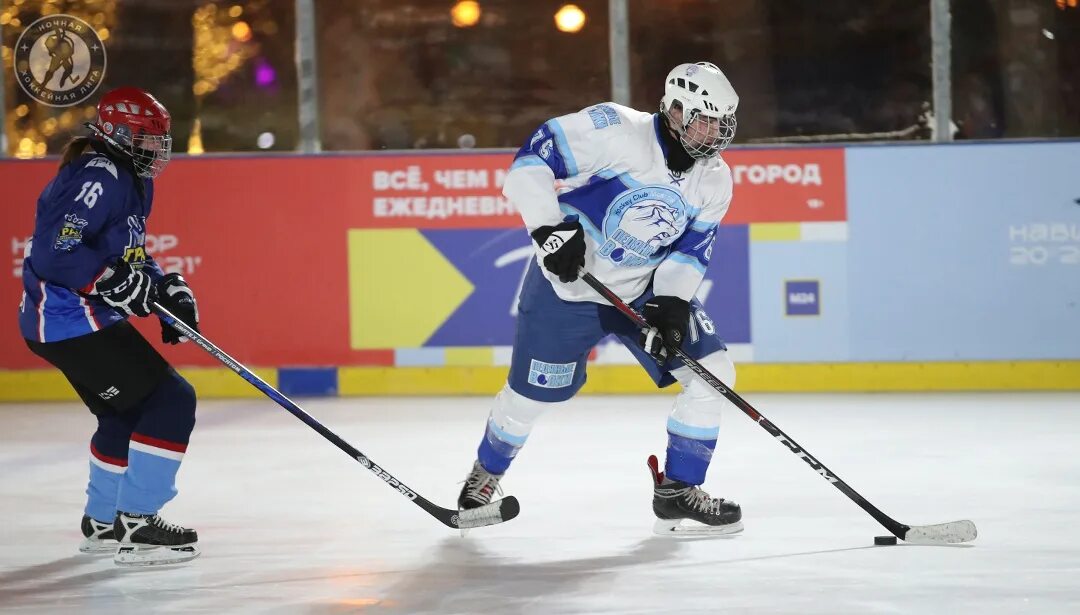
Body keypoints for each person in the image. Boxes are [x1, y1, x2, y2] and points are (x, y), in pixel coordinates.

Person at [457, 62, 743, 536]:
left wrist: (671, 305)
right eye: (705, 120)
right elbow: (531, 160)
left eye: (722, 123)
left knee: (713, 375)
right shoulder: (617, 130)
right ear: (675, 111)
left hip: (643, 292)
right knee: (531, 396)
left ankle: (677, 490)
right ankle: (485, 475)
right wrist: (548, 228)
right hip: (569, 290)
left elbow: (690, 253)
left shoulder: (714, 179)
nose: (715, 134)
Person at [18, 87, 203, 565]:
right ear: (117, 134)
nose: (156, 149)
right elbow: (53, 253)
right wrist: (111, 279)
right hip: (69, 321)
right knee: (171, 400)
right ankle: (138, 524)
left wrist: (165, 288)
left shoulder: (133, 177)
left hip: (70, 323)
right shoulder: (99, 175)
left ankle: (102, 522)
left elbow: (128, 255)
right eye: (146, 138)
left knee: (123, 415)